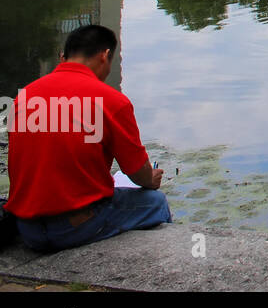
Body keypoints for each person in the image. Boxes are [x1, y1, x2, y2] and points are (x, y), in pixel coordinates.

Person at [5, 24, 170, 252]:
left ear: (65, 56)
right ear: (105, 56)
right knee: (155, 202)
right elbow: (137, 173)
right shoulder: (111, 100)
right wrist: (150, 178)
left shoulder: (24, 96)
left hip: (27, 228)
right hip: (74, 227)